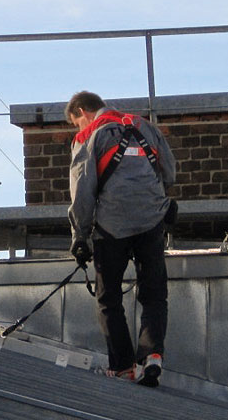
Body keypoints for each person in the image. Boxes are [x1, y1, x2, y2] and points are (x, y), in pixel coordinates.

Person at [65, 90, 176, 387]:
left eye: (76, 123)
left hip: (111, 227)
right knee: (153, 294)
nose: (77, 128)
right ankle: (152, 356)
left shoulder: (88, 136)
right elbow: (170, 173)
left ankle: (123, 366)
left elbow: (83, 191)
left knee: (108, 297)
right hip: (152, 220)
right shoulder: (144, 126)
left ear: (82, 113)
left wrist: (80, 236)